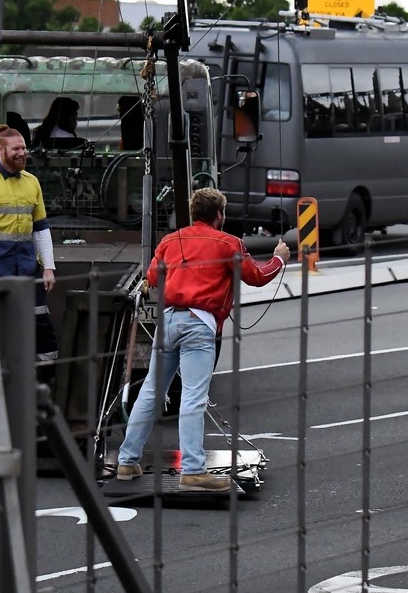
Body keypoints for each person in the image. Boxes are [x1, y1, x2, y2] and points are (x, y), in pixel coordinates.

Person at [117, 187, 290, 491]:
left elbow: (154, 279)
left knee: (151, 391)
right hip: (199, 323)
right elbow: (257, 276)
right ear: (219, 215)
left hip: (168, 320)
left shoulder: (171, 240)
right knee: (193, 397)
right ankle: (194, 470)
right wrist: (279, 259)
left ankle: (127, 461)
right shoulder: (228, 243)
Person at [0, 124, 59, 378]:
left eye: (24, 147)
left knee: (40, 324)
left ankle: (46, 381)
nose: (23, 153)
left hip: (26, 269)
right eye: (17, 149)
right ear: (0, 151)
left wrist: (48, 267)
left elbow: (41, 228)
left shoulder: (32, 183)